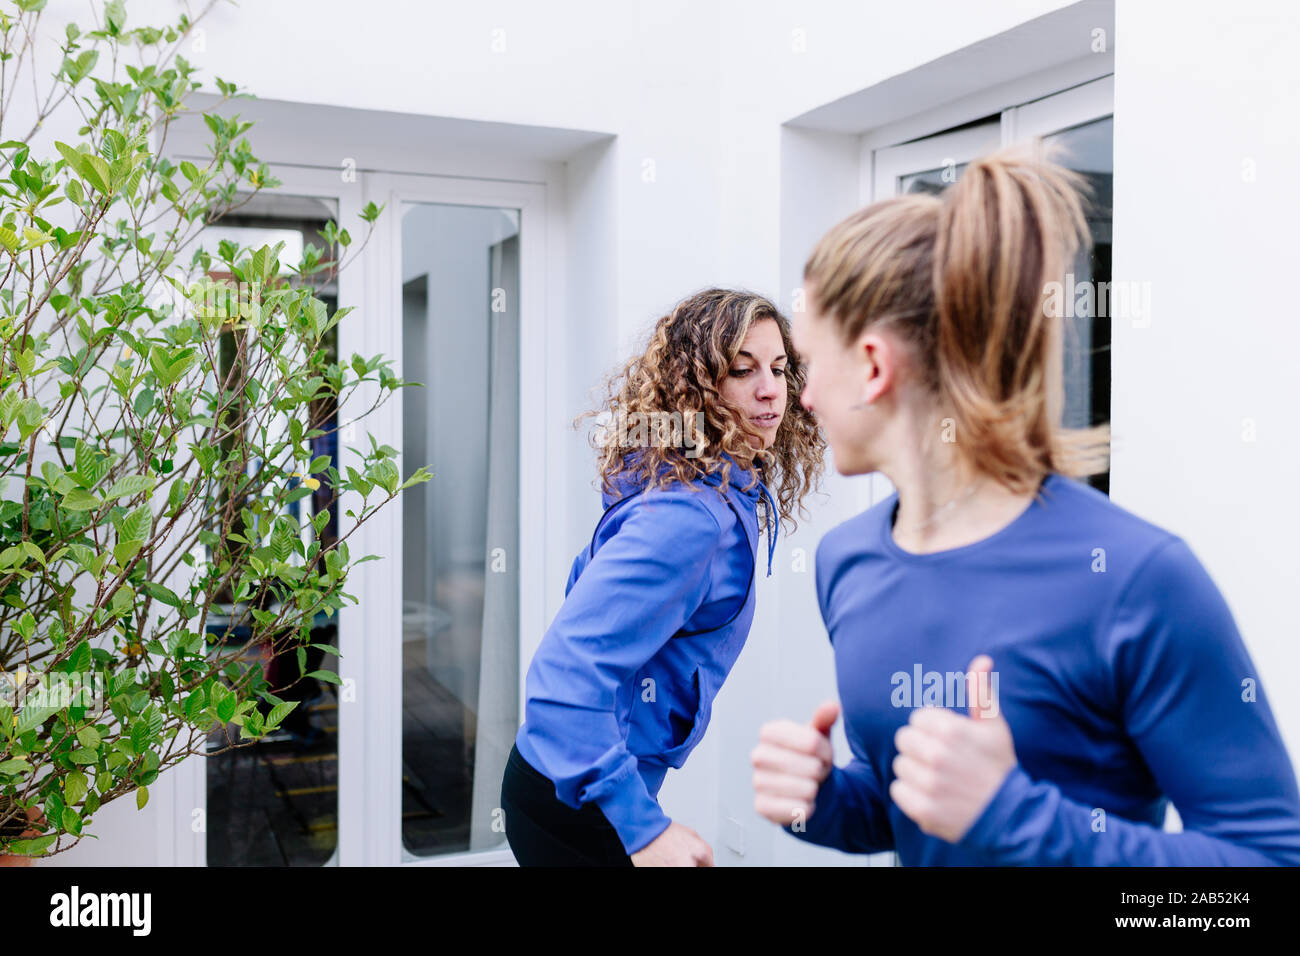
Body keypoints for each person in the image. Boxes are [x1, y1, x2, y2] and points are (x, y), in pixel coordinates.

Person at [751, 143, 1300, 865]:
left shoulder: (1138, 578)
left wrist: (1015, 818)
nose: (805, 397)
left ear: (875, 367)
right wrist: (824, 803)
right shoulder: (844, 560)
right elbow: (911, 810)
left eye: (809, 364)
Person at [502, 288, 824, 866]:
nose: (771, 389)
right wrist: (642, 828)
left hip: (568, 780)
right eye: (742, 370)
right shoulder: (690, 518)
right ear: (697, 387)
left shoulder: (706, 487)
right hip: (579, 799)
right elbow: (563, 678)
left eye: (779, 369)